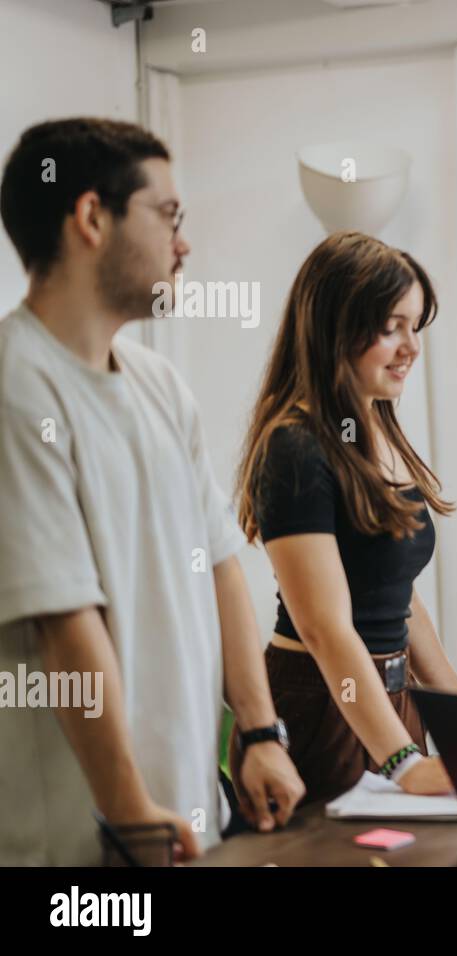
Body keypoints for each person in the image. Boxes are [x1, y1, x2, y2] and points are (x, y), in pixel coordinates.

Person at [0, 117, 304, 865]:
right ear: (91, 217)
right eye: (167, 215)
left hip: (183, 817)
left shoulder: (159, 385)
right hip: (83, 838)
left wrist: (259, 733)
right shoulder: (17, 387)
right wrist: (128, 807)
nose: (184, 243)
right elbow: (64, 622)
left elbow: (222, 566)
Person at [230, 230, 457, 805]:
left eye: (416, 326)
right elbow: (325, 627)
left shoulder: (377, 426)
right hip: (323, 704)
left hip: (391, 702)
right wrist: (405, 762)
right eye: (392, 327)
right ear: (336, 328)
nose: (411, 347)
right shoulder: (295, 447)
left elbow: (399, 595)